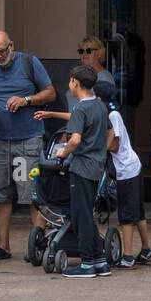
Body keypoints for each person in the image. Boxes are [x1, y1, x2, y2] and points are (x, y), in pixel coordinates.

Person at [0, 30, 56, 261]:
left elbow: (50, 93)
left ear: (11, 46)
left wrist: (26, 100)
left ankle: (38, 244)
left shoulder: (29, 62)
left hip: (29, 138)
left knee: (32, 194)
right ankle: (3, 246)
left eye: (1, 51)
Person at [57, 65, 111, 279]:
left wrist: (63, 152)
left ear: (75, 82)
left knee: (81, 217)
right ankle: (100, 261)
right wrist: (100, 153)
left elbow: (75, 139)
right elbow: (111, 133)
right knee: (87, 214)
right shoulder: (100, 106)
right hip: (97, 167)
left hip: (81, 168)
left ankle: (87, 263)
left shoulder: (80, 109)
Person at [100, 81, 151, 269]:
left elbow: (114, 144)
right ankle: (146, 249)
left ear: (98, 98)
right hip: (131, 166)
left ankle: (128, 256)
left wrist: (99, 148)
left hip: (126, 170)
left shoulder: (112, 116)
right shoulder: (113, 113)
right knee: (137, 212)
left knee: (127, 215)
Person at [33, 36, 115, 127]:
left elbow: (100, 111)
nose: (84, 55)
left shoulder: (104, 78)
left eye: (88, 51)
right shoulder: (81, 74)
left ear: (99, 53)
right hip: (74, 126)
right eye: (81, 51)